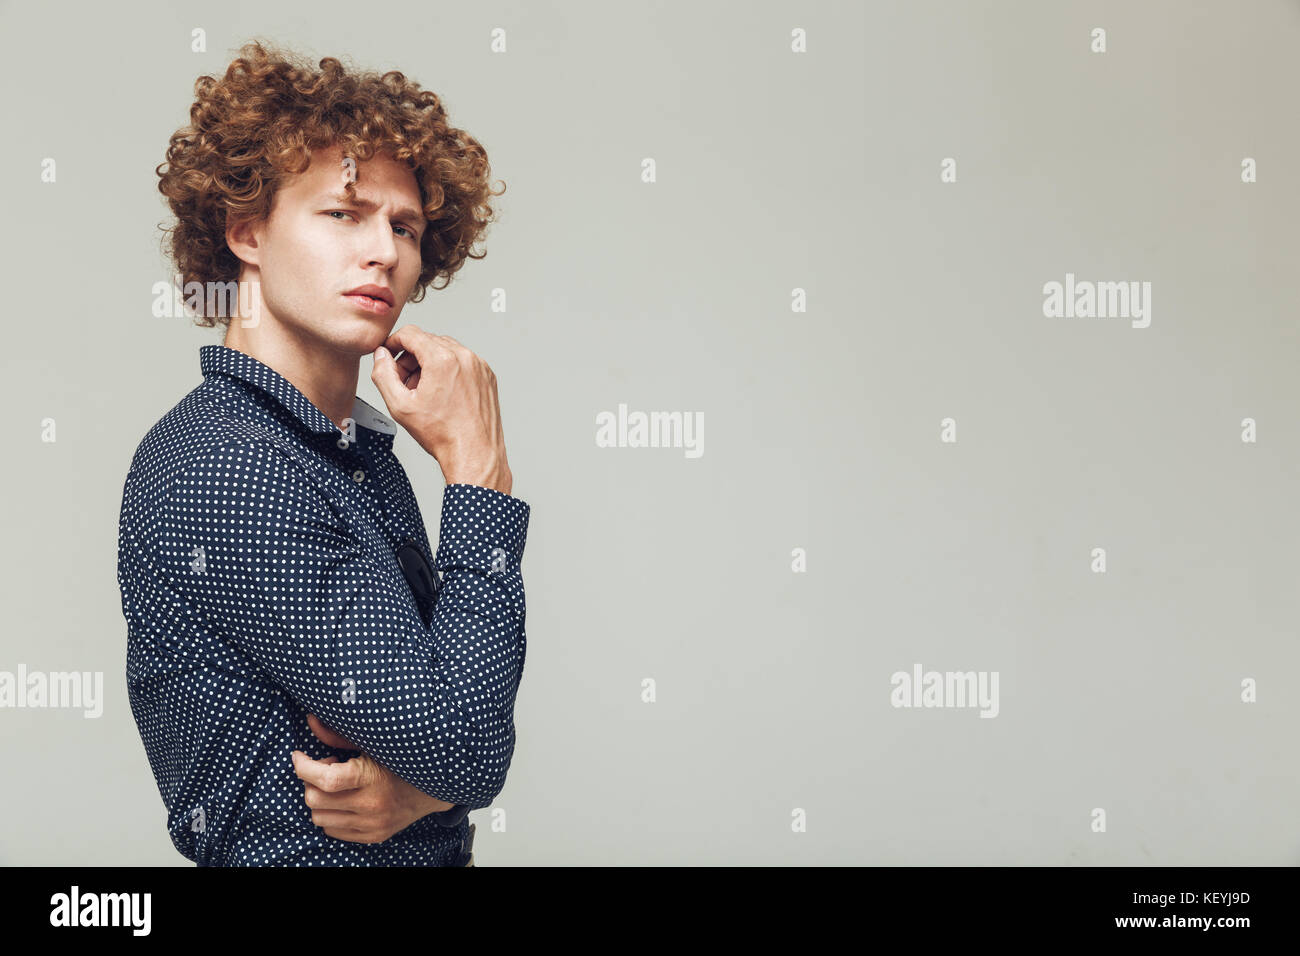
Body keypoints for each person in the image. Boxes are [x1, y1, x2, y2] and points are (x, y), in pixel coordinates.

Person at [116, 40, 528, 866]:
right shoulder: (230, 466)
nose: (384, 251)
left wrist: (426, 783)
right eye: (344, 213)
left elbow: (451, 719)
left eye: (405, 226)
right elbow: (468, 744)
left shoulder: (357, 453)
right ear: (247, 233)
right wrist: (480, 473)